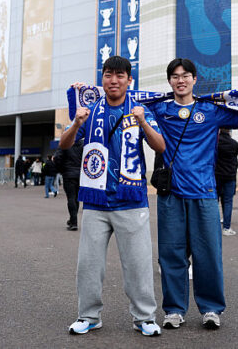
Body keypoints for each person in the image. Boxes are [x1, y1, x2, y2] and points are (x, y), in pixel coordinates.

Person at [149, 58, 238, 332]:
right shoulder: (159, 110)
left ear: (194, 79)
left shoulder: (209, 110)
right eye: (175, 76)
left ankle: (211, 308)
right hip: (171, 195)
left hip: (204, 193)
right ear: (169, 82)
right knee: (171, 255)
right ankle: (174, 310)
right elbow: (120, 102)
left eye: (185, 75)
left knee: (208, 254)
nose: (180, 80)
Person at [59, 55, 166, 337]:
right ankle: (88, 315)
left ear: (130, 80)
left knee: (139, 264)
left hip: (131, 198)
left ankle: (144, 317)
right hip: (95, 199)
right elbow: (65, 144)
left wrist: (143, 123)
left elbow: (161, 146)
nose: (114, 80)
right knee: (89, 265)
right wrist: (76, 123)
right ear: (102, 78)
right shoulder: (90, 109)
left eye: (120, 75)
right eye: (108, 75)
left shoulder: (140, 110)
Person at [215, 129, 238, 236]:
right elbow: (236, 156)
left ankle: (212, 226)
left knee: (214, 201)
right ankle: (226, 227)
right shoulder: (234, 143)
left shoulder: (215, 142)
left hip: (216, 175)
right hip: (230, 176)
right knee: (228, 201)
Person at [55, 140, 82, 230]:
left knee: (71, 197)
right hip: (80, 175)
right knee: (76, 198)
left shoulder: (65, 143)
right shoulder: (82, 144)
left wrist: (61, 169)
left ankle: (73, 222)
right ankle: (72, 220)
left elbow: (57, 158)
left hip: (68, 174)